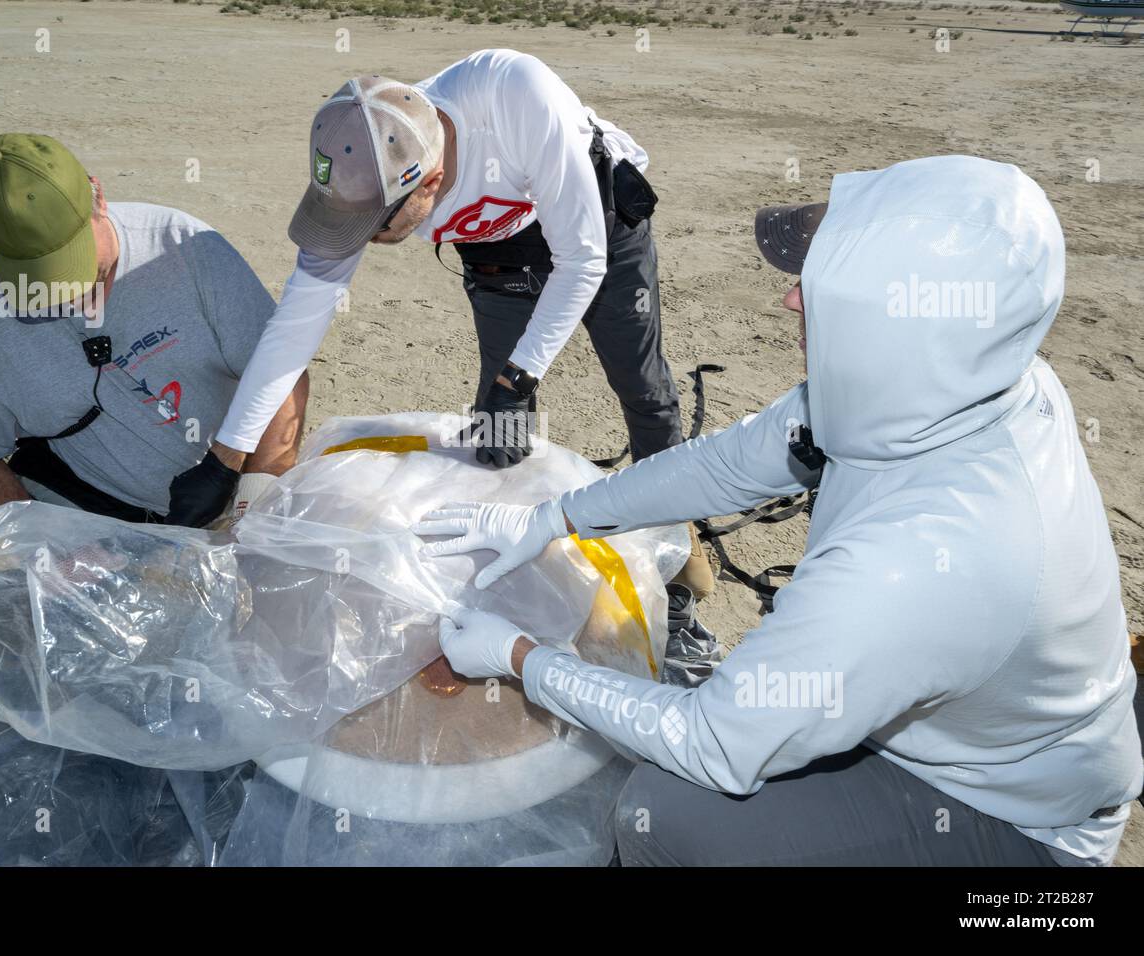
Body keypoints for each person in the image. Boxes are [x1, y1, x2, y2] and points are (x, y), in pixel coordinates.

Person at [417, 155, 1143, 865]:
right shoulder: (961, 378)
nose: (791, 299)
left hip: (1016, 817)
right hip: (961, 727)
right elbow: (727, 464)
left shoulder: (916, 561)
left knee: (670, 816)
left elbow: (712, 743)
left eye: (823, 284)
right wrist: (551, 519)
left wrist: (519, 657)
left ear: (898, 324)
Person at [177, 49, 714, 594]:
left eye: (374, 225)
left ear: (431, 183)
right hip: (497, 252)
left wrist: (518, 378)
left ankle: (676, 534)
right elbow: (294, 326)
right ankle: (519, 565)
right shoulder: (364, 161)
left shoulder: (517, 95)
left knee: (640, 384)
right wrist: (224, 460)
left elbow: (581, 262)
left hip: (598, 225)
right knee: (498, 432)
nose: (360, 240)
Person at [0, 133, 304, 523]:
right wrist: (47, 539)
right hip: (87, 514)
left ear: (98, 197)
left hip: (235, 484)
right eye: (42, 281)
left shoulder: (187, 247)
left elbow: (279, 370)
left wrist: (255, 498)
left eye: (78, 265)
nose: (72, 296)